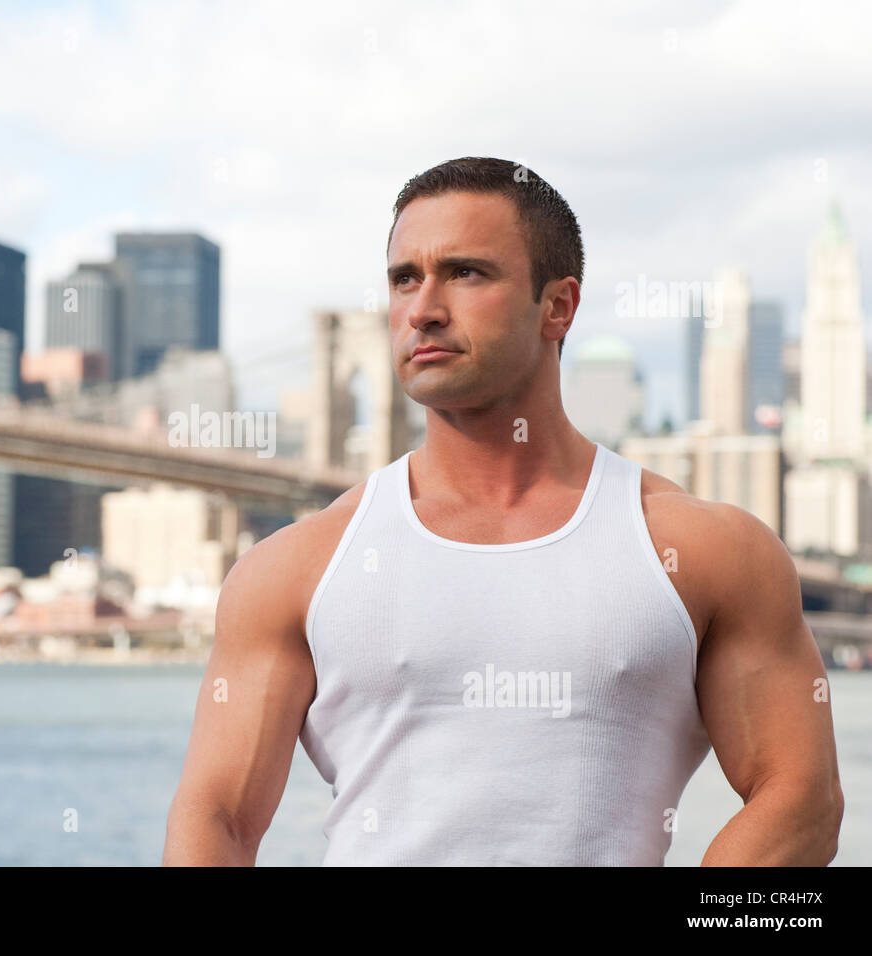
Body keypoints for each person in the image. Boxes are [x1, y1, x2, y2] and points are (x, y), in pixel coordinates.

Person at [162, 156, 843, 866]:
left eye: (465, 273)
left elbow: (801, 801)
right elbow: (217, 820)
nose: (422, 308)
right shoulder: (296, 566)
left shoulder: (703, 550)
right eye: (404, 279)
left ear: (559, 306)